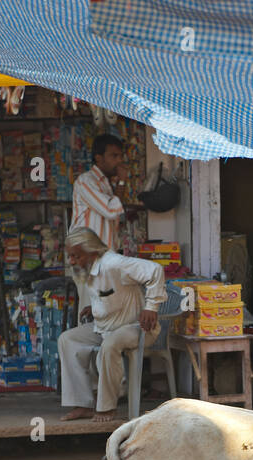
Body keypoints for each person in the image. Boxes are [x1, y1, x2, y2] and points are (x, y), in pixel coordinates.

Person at [57, 227, 166, 422]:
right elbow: (108, 294)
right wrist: (95, 307)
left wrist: (151, 307)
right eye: (70, 256)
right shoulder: (90, 268)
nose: (71, 261)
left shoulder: (114, 264)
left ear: (91, 251)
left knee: (109, 345)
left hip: (137, 328)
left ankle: (107, 407)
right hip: (106, 327)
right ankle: (83, 404)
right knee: (68, 339)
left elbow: (155, 270)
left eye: (75, 256)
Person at [70, 134, 128, 253]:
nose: (120, 161)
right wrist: (122, 182)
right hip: (88, 256)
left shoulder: (107, 183)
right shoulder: (86, 181)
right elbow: (111, 211)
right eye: (114, 156)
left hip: (104, 255)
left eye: (121, 156)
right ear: (99, 158)